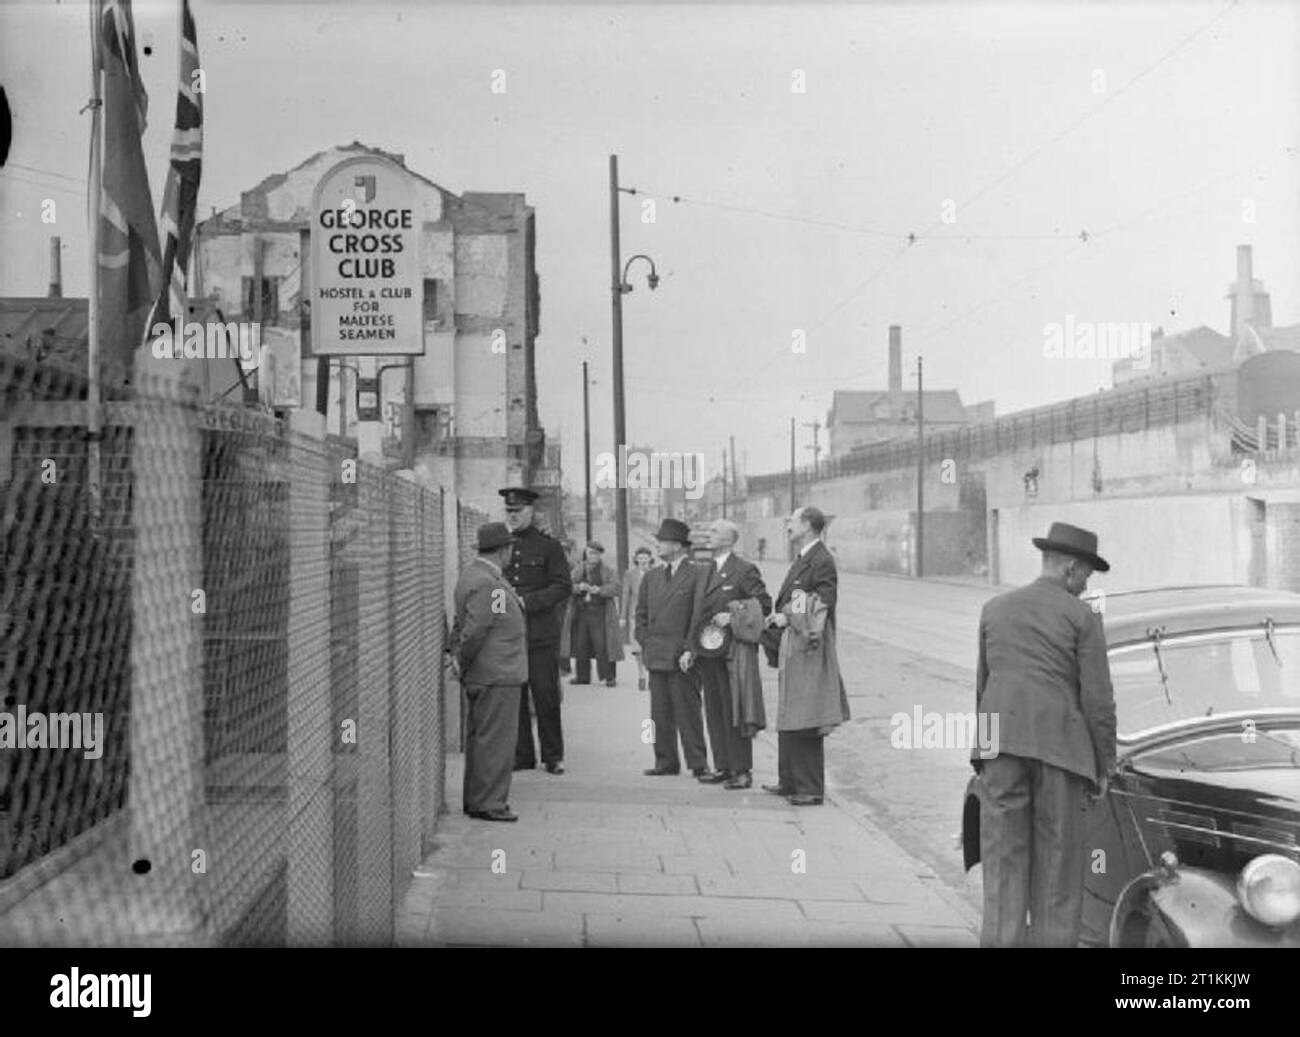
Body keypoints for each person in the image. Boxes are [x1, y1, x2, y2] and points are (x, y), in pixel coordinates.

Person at [974, 521, 1117, 948]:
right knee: (1058, 874)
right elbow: (1098, 703)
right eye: (1086, 577)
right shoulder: (1083, 617)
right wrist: (1103, 764)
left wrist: (982, 755)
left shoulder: (995, 608)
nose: (1085, 585)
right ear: (1072, 570)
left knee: (1002, 868)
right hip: (1062, 755)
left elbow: (983, 688)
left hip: (1000, 749)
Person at [762, 506, 850, 806]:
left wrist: (787, 616)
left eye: (793, 520)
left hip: (809, 645)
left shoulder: (821, 559)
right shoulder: (805, 557)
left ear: (809, 526)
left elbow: (823, 601)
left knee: (806, 713)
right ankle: (789, 781)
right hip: (796, 644)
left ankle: (810, 788)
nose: (788, 524)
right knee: (791, 710)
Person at [448, 522, 527, 822]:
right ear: (504, 551)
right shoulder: (490, 584)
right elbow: (477, 628)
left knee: (482, 740)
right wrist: (463, 662)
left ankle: (477, 798)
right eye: (510, 550)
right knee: (496, 742)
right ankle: (490, 802)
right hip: (497, 674)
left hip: (490, 672)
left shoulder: (477, 576)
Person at [635, 517, 716, 779]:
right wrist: (645, 641)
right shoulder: (652, 577)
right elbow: (641, 614)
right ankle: (665, 761)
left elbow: (698, 616)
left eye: (663, 541)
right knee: (657, 715)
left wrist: (690, 649)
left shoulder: (696, 574)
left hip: (682, 657)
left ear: (679, 546)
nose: (657, 545)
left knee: (688, 712)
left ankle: (698, 763)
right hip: (656, 654)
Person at [499, 487, 573, 776]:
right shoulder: (501, 545)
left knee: (545, 697)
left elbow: (562, 586)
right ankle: (523, 754)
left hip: (540, 634)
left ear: (531, 512)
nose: (513, 517)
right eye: (509, 511)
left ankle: (553, 755)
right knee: (516, 696)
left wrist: (528, 602)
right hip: (510, 635)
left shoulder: (548, 547)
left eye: (518, 512)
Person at [694, 518, 771, 789]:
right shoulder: (705, 569)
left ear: (729, 538)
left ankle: (742, 770)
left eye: (715, 530)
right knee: (714, 710)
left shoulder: (744, 569)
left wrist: (734, 613)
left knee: (734, 709)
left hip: (732, 652)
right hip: (708, 651)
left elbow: (763, 603)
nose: (709, 533)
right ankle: (724, 765)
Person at [569, 542, 623, 687]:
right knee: (581, 645)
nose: (593, 556)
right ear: (586, 553)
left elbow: (616, 588)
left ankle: (609, 676)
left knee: (604, 645)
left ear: (600, 555)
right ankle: (582, 676)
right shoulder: (578, 569)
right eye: (591, 553)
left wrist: (599, 590)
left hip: (601, 612)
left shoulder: (608, 571)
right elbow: (567, 585)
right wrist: (579, 587)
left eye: (596, 553)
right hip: (582, 612)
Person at [621, 546, 655, 691]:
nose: (642, 560)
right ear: (636, 559)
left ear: (650, 558)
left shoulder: (656, 572)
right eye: (640, 558)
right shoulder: (630, 574)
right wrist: (622, 616)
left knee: (652, 645)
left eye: (645, 557)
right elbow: (625, 595)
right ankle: (641, 674)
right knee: (637, 646)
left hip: (653, 614)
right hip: (635, 614)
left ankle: (652, 674)